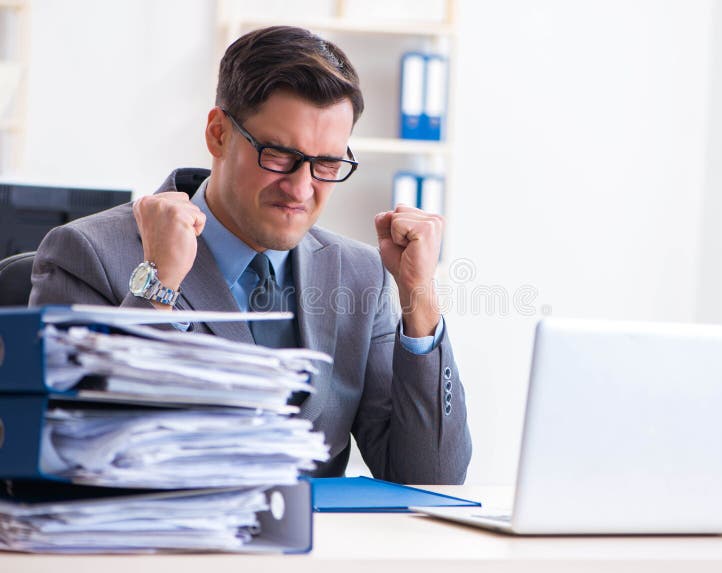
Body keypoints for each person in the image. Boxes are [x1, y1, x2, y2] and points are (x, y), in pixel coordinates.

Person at [30, 26, 471, 483]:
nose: (301, 188)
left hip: (317, 552)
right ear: (218, 134)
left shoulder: (361, 274)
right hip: (163, 549)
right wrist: (159, 284)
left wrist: (419, 297)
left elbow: (431, 477)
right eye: (279, 155)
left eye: (327, 164)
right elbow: (66, 455)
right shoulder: (88, 252)